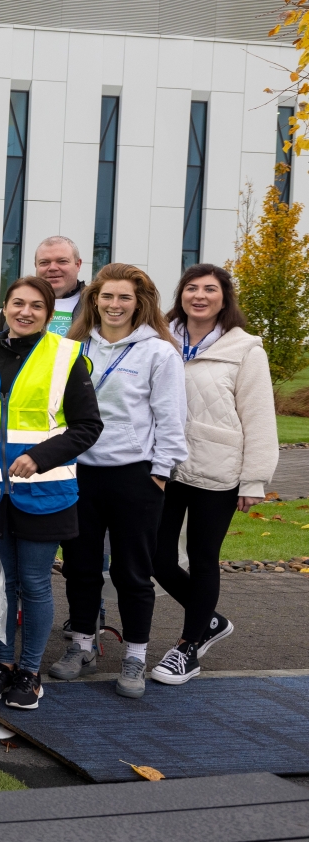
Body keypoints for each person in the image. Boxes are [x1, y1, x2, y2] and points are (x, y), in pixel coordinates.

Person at [0, 275, 102, 711]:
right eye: (18, 303)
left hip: (44, 490)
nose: (26, 312)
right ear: (4, 307)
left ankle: (30, 672)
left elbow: (87, 427)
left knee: (35, 583)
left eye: (37, 306)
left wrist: (40, 457)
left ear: (49, 314)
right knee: (1, 584)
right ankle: (2, 664)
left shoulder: (66, 355)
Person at [50, 264, 186, 699]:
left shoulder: (158, 352)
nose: (114, 304)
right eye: (106, 296)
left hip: (136, 476)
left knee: (132, 572)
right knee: (80, 567)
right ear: (93, 300)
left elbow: (171, 418)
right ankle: (82, 645)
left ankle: (135, 656)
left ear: (139, 302)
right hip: (80, 472)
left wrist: (160, 474)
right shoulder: (72, 348)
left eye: (124, 297)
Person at [150, 264, 276, 686]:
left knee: (203, 557)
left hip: (217, 468)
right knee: (156, 558)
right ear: (180, 295)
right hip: (165, 467)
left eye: (209, 289)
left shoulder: (245, 350)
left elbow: (259, 417)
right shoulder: (159, 339)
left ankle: (188, 647)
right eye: (191, 288)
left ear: (224, 298)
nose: (199, 296)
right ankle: (210, 620)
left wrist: (254, 479)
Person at [24, 235, 85, 336]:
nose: (52, 268)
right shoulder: (18, 302)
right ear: (36, 266)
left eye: (62, 261)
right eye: (44, 262)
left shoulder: (95, 303)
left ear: (78, 264)